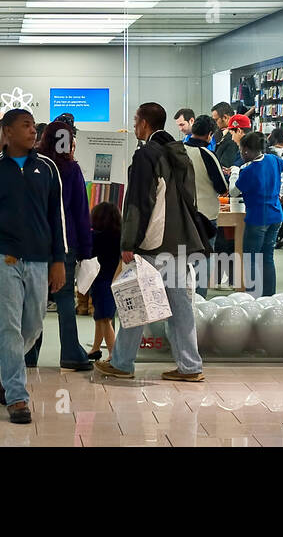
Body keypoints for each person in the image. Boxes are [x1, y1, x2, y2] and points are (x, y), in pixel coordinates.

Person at [95, 102, 206, 383]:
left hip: (154, 241)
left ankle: (121, 362)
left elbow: (138, 203)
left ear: (144, 123)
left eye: (136, 121)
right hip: (181, 238)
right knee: (180, 306)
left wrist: (128, 241)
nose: (134, 126)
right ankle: (190, 366)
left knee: (134, 300)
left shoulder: (147, 155)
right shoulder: (179, 152)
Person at [0, 108, 65, 424]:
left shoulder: (48, 169)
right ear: (6, 132)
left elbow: (56, 218)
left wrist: (59, 261)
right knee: (7, 327)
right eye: (25, 126)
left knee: (34, 326)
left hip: (38, 259)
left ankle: (5, 367)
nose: (33, 131)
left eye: (33, 126)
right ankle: (17, 397)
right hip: (0, 258)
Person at [36, 120, 94, 372]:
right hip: (66, 242)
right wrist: (86, 250)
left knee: (34, 302)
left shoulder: (34, 166)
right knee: (65, 302)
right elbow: (81, 212)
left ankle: (28, 355)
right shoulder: (71, 169)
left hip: (36, 243)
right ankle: (71, 353)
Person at [233, 131, 283, 297]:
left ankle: (252, 297)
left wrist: (236, 172)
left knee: (251, 259)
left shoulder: (247, 171)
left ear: (246, 150)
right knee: (267, 258)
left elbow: (233, 191)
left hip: (257, 219)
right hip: (276, 216)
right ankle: (269, 296)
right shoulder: (273, 160)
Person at [182, 116, 226, 295]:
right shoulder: (208, 155)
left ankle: (181, 300)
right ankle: (199, 298)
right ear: (210, 135)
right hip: (206, 215)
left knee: (181, 258)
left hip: (181, 214)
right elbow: (222, 187)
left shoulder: (177, 150)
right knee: (203, 258)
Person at [86, 201, 121, 364]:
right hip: (115, 280)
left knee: (104, 319)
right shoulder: (120, 237)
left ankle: (114, 354)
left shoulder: (95, 237)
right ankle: (95, 348)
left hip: (100, 281)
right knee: (101, 316)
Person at [211, 104, 240, 176]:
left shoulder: (232, 138)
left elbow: (225, 165)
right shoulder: (221, 134)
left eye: (216, 120)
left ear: (225, 117)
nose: (214, 123)